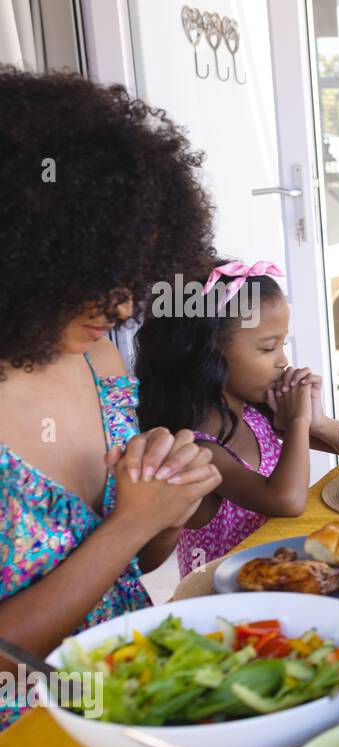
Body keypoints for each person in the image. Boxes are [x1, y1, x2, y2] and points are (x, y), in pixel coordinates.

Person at [0, 68, 222, 691]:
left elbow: (138, 561)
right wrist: (129, 523)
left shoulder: (99, 363)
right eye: (96, 276)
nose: (124, 309)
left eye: (130, 277)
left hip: (139, 699)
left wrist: (161, 502)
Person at [135, 260, 339, 575]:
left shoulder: (255, 414)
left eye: (283, 343)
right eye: (268, 348)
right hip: (226, 600)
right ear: (209, 354)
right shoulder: (198, 449)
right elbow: (286, 501)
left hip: (275, 579)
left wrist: (318, 422)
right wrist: (297, 423)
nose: (283, 359)